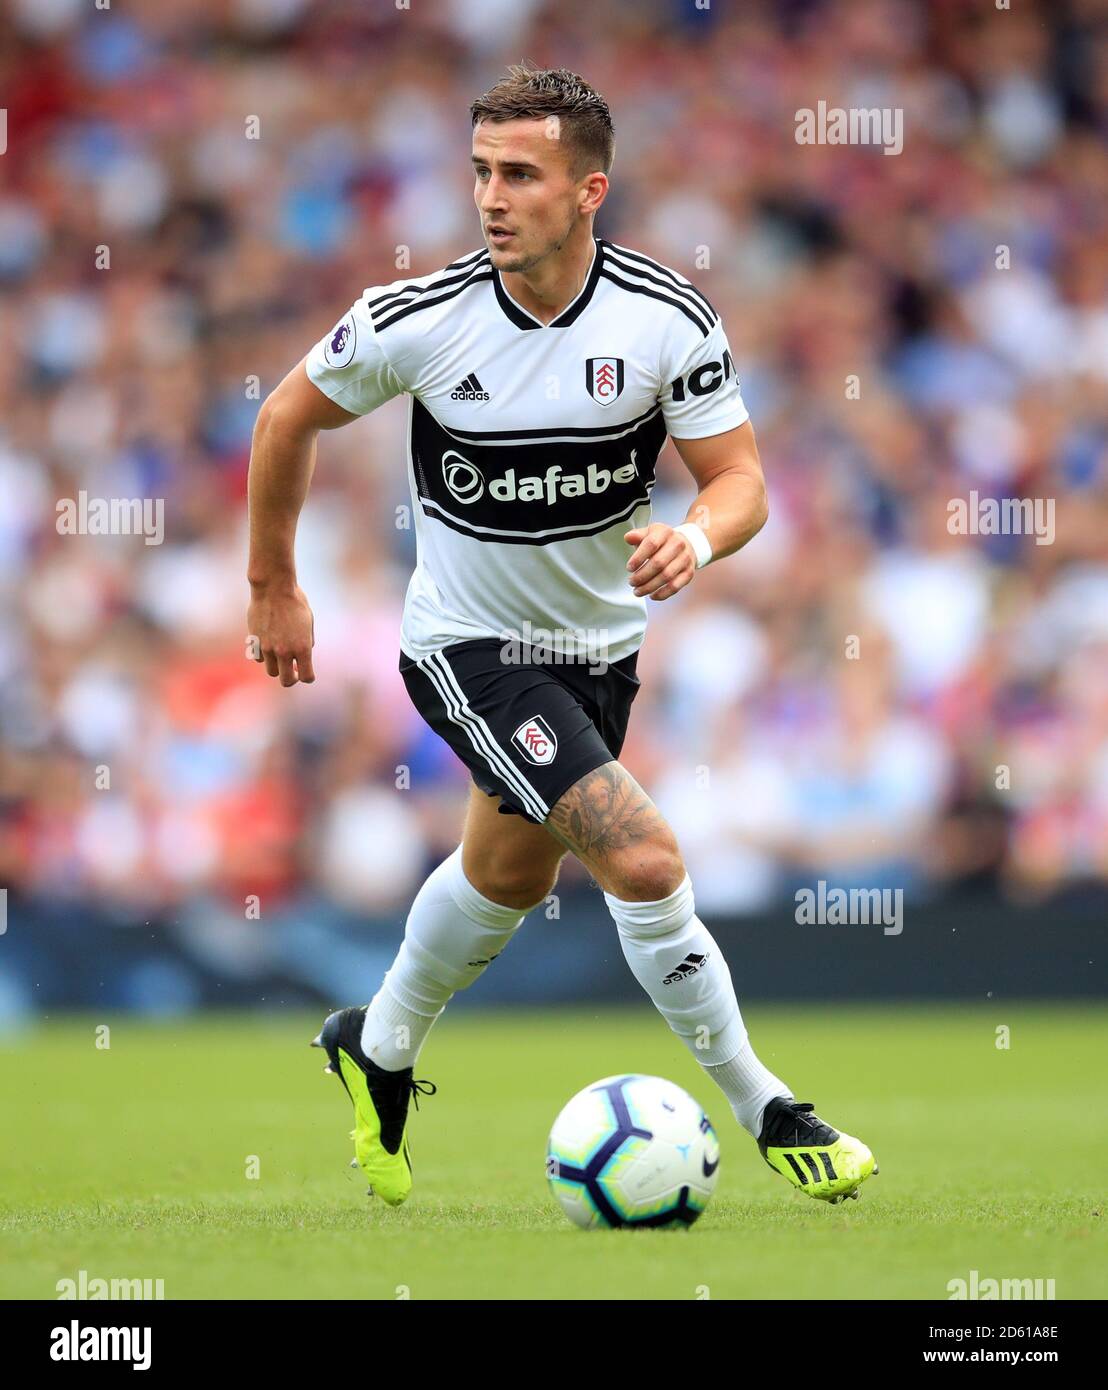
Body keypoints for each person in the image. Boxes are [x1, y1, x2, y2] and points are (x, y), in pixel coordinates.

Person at [246, 64, 877, 1210]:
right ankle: (767, 1104)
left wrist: (696, 535)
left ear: (590, 190)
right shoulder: (417, 319)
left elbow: (740, 482)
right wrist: (273, 586)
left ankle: (376, 1049)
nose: (492, 197)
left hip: (598, 651)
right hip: (468, 644)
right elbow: (286, 412)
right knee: (640, 856)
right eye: (482, 172)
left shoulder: (663, 319)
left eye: (521, 175)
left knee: (502, 873)